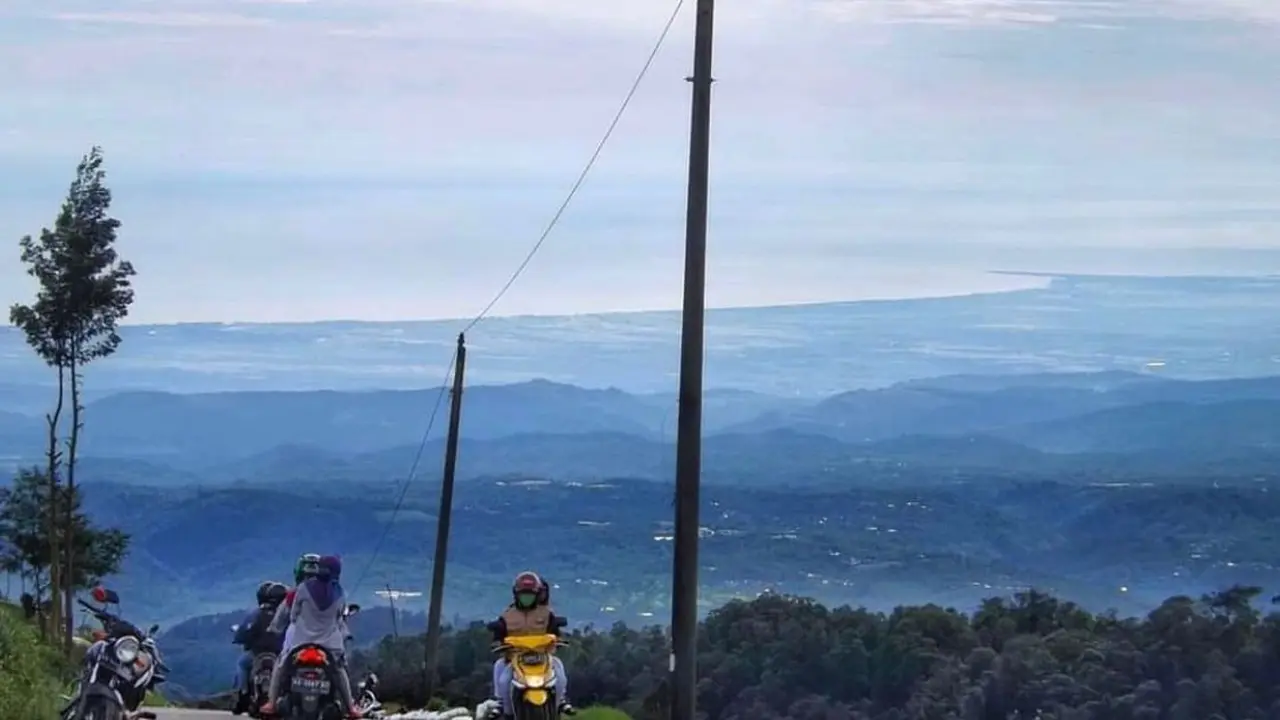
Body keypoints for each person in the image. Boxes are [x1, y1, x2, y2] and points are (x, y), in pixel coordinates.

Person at [260, 555, 361, 718]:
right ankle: (350, 707)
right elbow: (339, 617)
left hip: (301, 641)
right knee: (339, 670)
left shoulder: (302, 589)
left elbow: (293, 615)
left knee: (281, 665)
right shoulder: (339, 593)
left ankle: (271, 703)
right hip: (330, 645)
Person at [488, 571, 574, 718]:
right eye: (523, 595)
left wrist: (558, 639)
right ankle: (503, 705)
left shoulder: (546, 614)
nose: (526, 598)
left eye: (530, 595)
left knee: (560, 675)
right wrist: (498, 641)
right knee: (502, 679)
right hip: (516, 659)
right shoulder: (508, 615)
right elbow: (499, 635)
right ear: (516, 595)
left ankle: (560, 701)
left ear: (538, 595)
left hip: (543, 658)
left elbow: (555, 631)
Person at [232, 581, 288, 713]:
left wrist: (239, 639)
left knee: (241, 664)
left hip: (257, 653)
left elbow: (243, 633)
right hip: (279, 655)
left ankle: (242, 693)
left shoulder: (256, 614)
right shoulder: (285, 616)